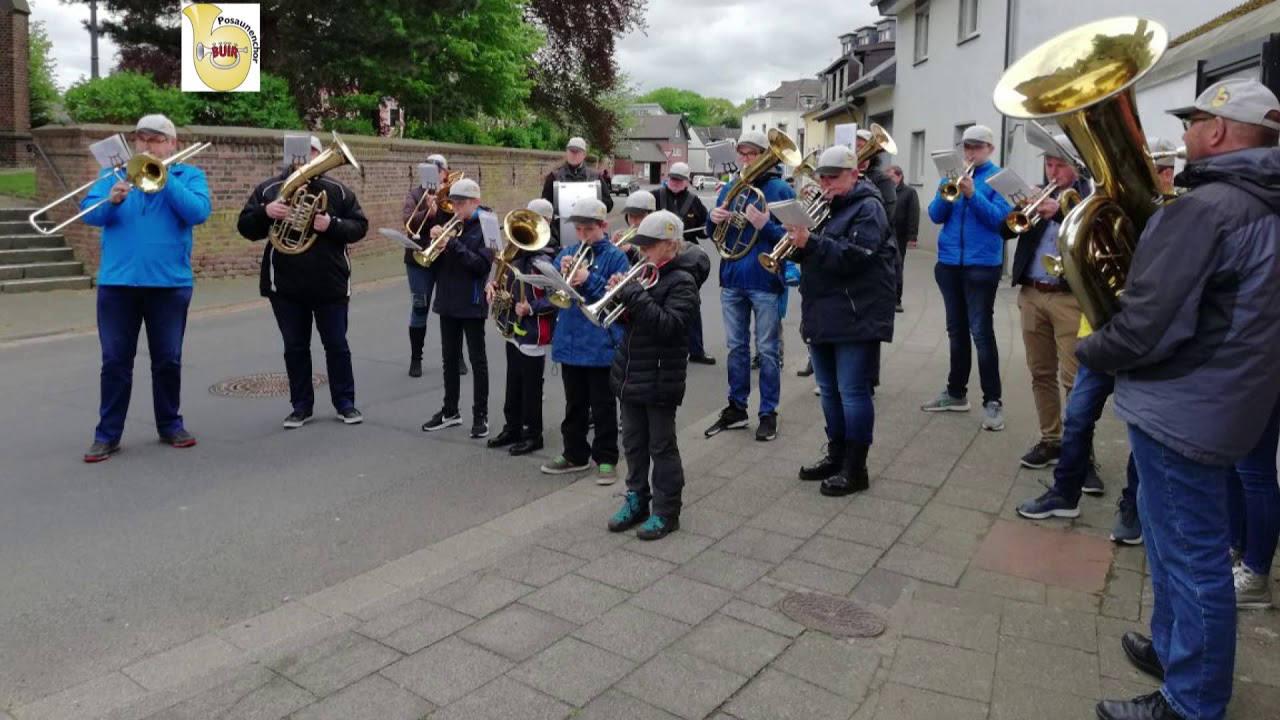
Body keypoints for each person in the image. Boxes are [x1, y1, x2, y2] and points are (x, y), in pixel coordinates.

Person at [1084, 78, 1280, 720]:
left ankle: (1189, 702)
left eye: (1194, 123)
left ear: (1219, 131)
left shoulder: (1209, 208)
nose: (1187, 135)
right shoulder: (1262, 202)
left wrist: (1090, 351)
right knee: (1179, 548)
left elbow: (1146, 325)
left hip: (1183, 404)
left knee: (1192, 561)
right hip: (1224, 398)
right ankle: (1174, 651)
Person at [1014, 137, 1179, 535]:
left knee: (1141, 426)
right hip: (1101, 331)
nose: (1131, 181)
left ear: (1167, 173)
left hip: (1146, 339)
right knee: (1078, 415)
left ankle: (1133, 509)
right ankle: (1064, 493)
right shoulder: (1108, 207)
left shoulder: (1179, 215)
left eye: (1146, 173)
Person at [81, 114, 212, 462]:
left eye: (155, 140)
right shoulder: (113, 175)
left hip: (169, 285)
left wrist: (165, 178)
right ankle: (107, 434)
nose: (147, 145)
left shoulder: (189, 175)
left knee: (168, 359)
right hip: (117, 284)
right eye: (141, 139)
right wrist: (111, 199)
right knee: (114, 362)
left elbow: (198, 212)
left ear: (172, 145)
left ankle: (170, 424)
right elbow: (88, 215)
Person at [237, 134, 368, 430]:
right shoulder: (271, 190)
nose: (303, 160)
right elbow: (245, 227)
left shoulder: (338, 191)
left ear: (320, 158)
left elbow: (360, 226)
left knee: (336, 345)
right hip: (285, 286)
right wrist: (265, 212)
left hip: (330, 284)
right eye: (298, 154)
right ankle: (301, 406)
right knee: (295, 347)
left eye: (311, 154)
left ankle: (345, 402)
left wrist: (330, 224)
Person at [785, 146, 894, 496]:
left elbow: (855, 257)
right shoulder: (826, 208)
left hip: (855, 313)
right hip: (822, 311)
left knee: (852, 392)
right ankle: (836, 454)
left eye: (833, 177)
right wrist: (797, 242)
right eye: (823, 177)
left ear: (854, 175)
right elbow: (814, 254)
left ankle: (856, 467)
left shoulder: (869, 208)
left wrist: (811, 241)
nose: (826, 184)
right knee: (829, 391)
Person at [606, 210, 707, 540]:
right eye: (641, 244)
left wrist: (632, 293)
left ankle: (666, 511)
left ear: (671, 245)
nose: (642, 250)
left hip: (661, 376)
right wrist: (619, 299)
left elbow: (669, 326)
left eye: (650, 245)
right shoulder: (647, 274)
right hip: (632, 371)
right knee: (633, 444)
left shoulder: (683, 281)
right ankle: (637, 500)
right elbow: (632, 321)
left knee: (661, 447)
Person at [703, 130, 796, 442]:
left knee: (768, 351)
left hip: (764, 280)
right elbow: (712, 233)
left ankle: (768, 412)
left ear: (763, 156)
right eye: (741, 153)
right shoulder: (731, 186)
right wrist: (713, 219)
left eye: (751, 153)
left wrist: (763, 224)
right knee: (736, 348)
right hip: (731, 279)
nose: (744, 159)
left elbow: (792, 239)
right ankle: (737, 407)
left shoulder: (780, 188)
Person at [1005, 135, 1091, 469]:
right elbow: (1006, 231)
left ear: (1076, 166)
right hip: (1031, 293)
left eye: (1059, 165)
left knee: (1074, 379)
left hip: (1069, 297)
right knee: (1040, 372)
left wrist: (1059, 213)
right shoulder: (1038, 193)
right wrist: (1018, 207)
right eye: (1048, 164)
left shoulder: (1089, 198)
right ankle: (1050, 439)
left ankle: (1081, 453)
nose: (1052, 171)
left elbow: (1092, 239)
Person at [920, 125, 1013, 431]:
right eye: (966, 147)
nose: (970, 152)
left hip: (982, 265)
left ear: (990, 149)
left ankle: (993, 400)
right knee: (956, 331)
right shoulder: (952, 175)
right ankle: (956, 393)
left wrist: (973, 195)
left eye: (976, 147)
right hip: (949, 263)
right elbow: (935, 216)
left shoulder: (998, 179)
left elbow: (1001, 222)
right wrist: (948, 193)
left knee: (981, 333)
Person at [540, 198, 630, 484]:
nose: (581, 235)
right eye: (577, 229)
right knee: (574, 403)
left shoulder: (616, 256)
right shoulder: (568, 251)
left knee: (602, 404)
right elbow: (554, 291)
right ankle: (574, 453)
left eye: (587, 230)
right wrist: (561, 271)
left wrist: (588, 278)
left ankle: (606, 458)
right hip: (570, 339)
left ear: (603, 226)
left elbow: (614, 296)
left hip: (600, 341)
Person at [419, 179, 494, 439]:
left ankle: (480, 415)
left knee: (477, 360)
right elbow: (434, 266)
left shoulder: (487, 225)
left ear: (475, 201)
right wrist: (433, 245)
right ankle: (450, 410)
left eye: (461, 204)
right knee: (449, 358)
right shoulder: (452, 224)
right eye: (454, 204)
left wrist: (451, 244)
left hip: (472, 301)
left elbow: (481, 265)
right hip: (448, 299)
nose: (456, 209)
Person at [485, 204, 559, 456]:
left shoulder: (544, 262)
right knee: (513, 381)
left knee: (531, 386)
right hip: (513, 328)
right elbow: (504, 280)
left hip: (533, 331)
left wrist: (532, 308)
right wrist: (493, 286)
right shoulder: (517, 257)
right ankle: (513, 426)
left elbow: (559, 298)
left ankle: (533, 433)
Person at [401, 154, 467, 378]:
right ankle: (415, 359)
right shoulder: (415, 194)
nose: (436, 172)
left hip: (447, 259)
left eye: (440, 168)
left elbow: (462, 221)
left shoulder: (453, 193)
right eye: (431, 168)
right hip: (419, 259)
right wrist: (425, 212)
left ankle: (456, 357)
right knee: (419, 308)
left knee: (452, 308)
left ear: (446, 172)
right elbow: (408, 221)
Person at [656, 162, 714, 365]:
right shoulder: (656, 196)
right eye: (672, 177)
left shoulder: (694, 201)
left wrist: (711, 228)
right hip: (659, 255)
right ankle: (659, 349)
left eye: (679, 179)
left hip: (686, 256)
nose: (674, 182)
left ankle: (696, 350)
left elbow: (704, 229)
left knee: (691, 302)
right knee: (656, 300)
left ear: (687, 181)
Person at [856, 129, 897, 396]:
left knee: (868, 323)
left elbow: (887, 216)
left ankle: (869, 379)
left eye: (862, 147)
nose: (858, 151)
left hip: (874, 258)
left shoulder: (882, 181)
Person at [541, 136, 614, 245]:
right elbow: (545, 207)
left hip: (591, 234)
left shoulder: (595, 177)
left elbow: (608, 204)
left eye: (577, 151)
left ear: (584, 154)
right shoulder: (554, 176)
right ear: (566, 152)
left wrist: (595, 204)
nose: (574, 154)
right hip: (559, 237)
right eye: (571, 151)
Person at [886, 165, 919, 312]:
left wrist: (912, 236)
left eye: (891, 176)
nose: (889, 179)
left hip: (900, 235)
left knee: (897, 268)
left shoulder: (909, 192)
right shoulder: (885, 190)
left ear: (899, 177)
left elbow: (914, 214)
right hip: (886, 233)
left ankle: (896, 300)